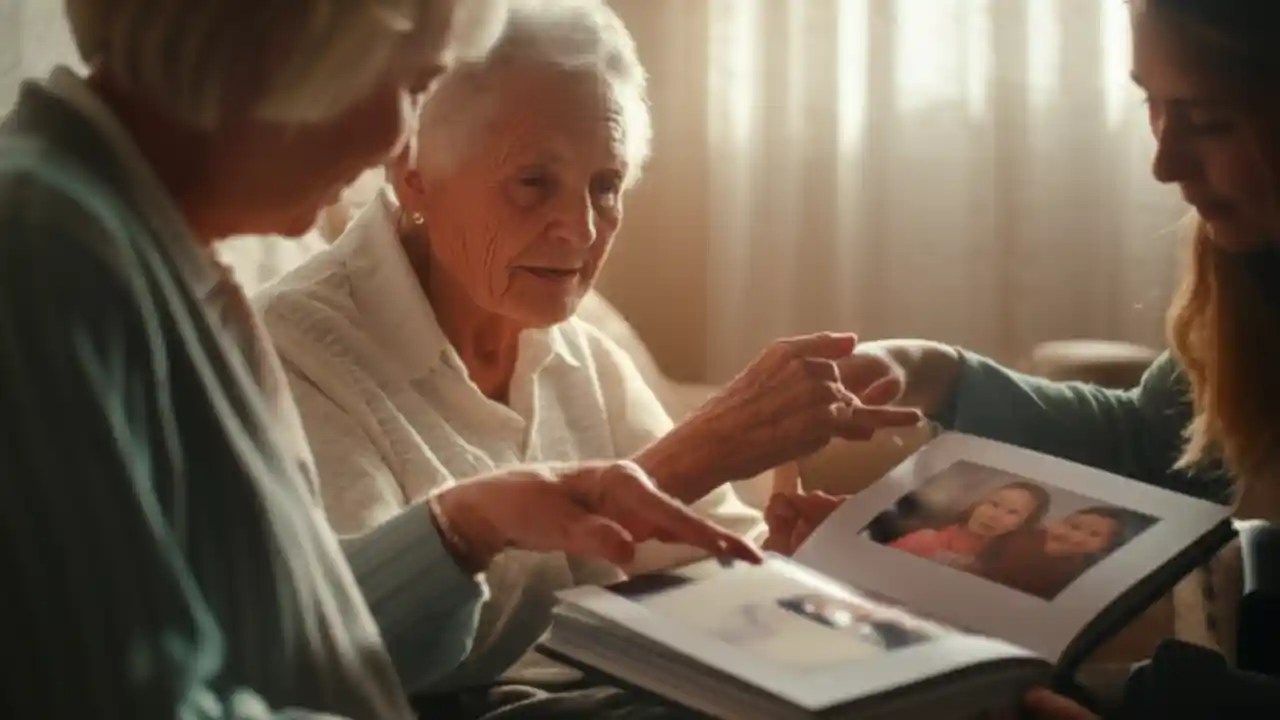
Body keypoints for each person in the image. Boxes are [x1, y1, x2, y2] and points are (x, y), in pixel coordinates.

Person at [0, 1, 765, 717]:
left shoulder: (157, 265)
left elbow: (295, 653)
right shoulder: (48, 261)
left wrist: (465, 526)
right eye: (412, 86)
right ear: (290, 52)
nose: (402, 147)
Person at [256, 0, 921, 695]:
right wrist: (688, 459)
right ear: (413, 172)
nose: (579, 228)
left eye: (606, 186)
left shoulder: (585, 354)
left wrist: (783, 557)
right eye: (534, 183)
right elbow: (360, 655)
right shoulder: (293, 353)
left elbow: (700, 557)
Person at [769, 0, 1280, 715]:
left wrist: (1136, 698)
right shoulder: (1253, 268)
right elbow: (1156, 442)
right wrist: (935, 371)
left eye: (1209, 119)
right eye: (1152, 105)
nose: (1164, 162)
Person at [884, 480, 1051, 571]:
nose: (995, 516)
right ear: (977, 505)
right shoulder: (925, 539)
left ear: (1022, 525)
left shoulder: (1005, 565)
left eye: (1012, 512)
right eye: (993, 504)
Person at [981, 507, 1128, 600]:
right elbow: (987, 557)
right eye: (1074, 526)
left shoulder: (1082, 570)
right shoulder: (1024, 537)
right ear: (1057, 524)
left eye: (1094, 534)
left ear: (1103, 548)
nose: (1076, 537)